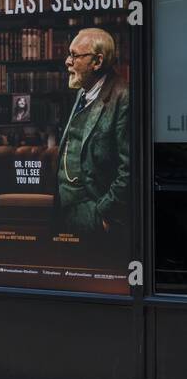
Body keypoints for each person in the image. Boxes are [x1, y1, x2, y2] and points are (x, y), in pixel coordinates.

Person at [54, 28, 130, 257]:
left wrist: (103, 216)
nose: (67, 62)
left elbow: (130, 169)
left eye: (75, 56)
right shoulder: (83, 91)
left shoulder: (123, 97)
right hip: (65, 212)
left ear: (97, 62)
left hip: (94, 218)